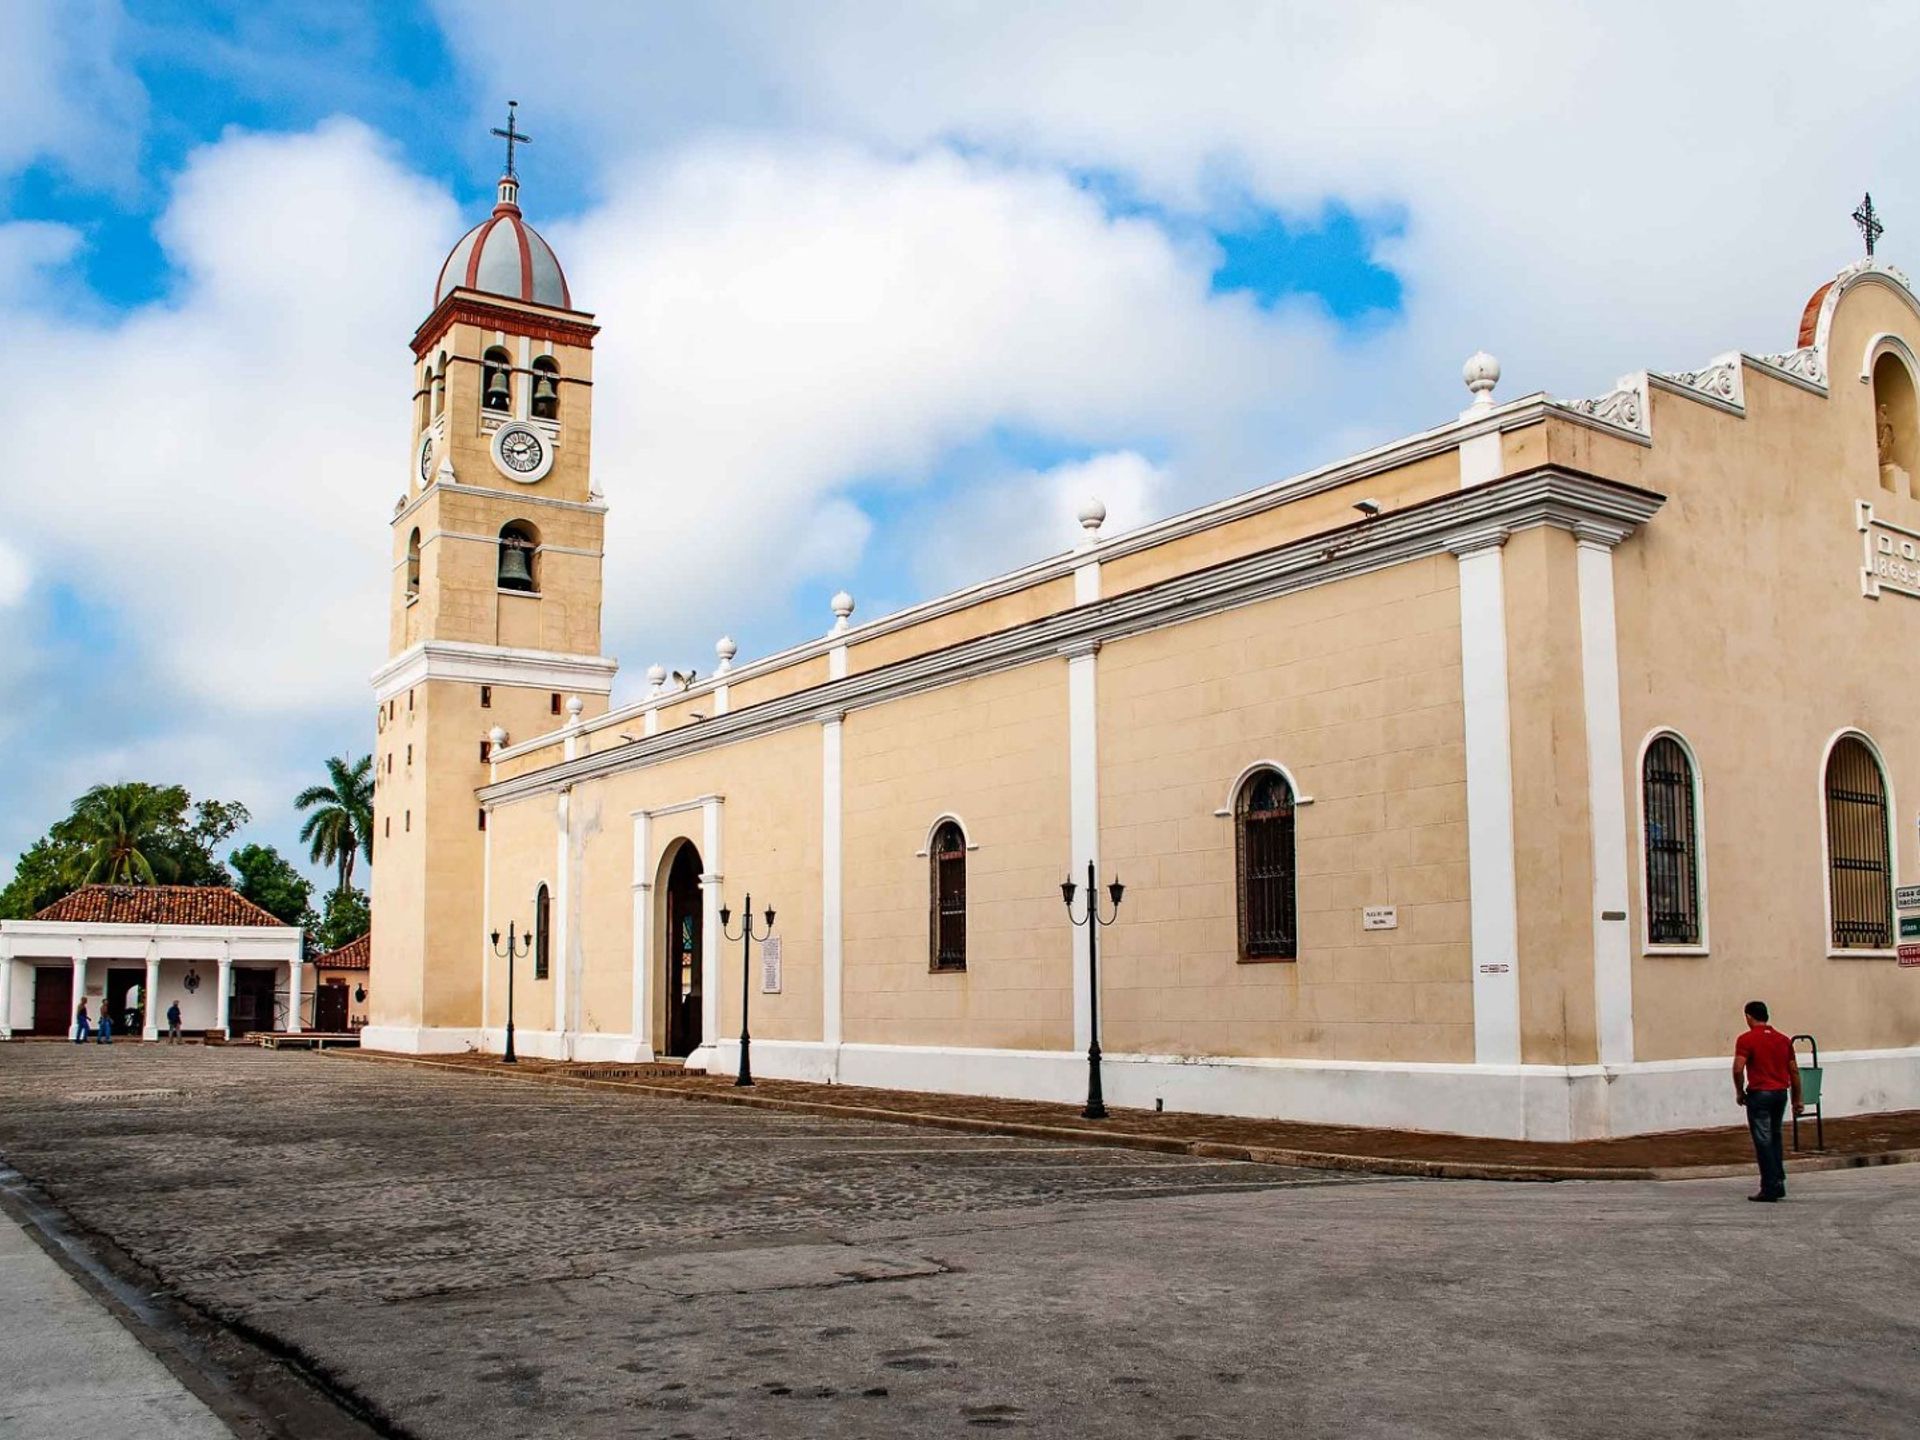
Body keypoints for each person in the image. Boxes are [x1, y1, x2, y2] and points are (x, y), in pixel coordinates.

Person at [1733, 999, 1803, 1202]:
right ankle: (1779, 1180)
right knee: (1775, 1136)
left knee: (1763, 1140)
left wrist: (1740, 1092)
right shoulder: (1783, 1040)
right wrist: (1797, 1099)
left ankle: (1769, 1185)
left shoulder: (1746, 1039)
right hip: (1780, 1093)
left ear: (1748, 1017)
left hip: (1760, 1094)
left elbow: (1738, 1068)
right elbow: (1794, 1071)